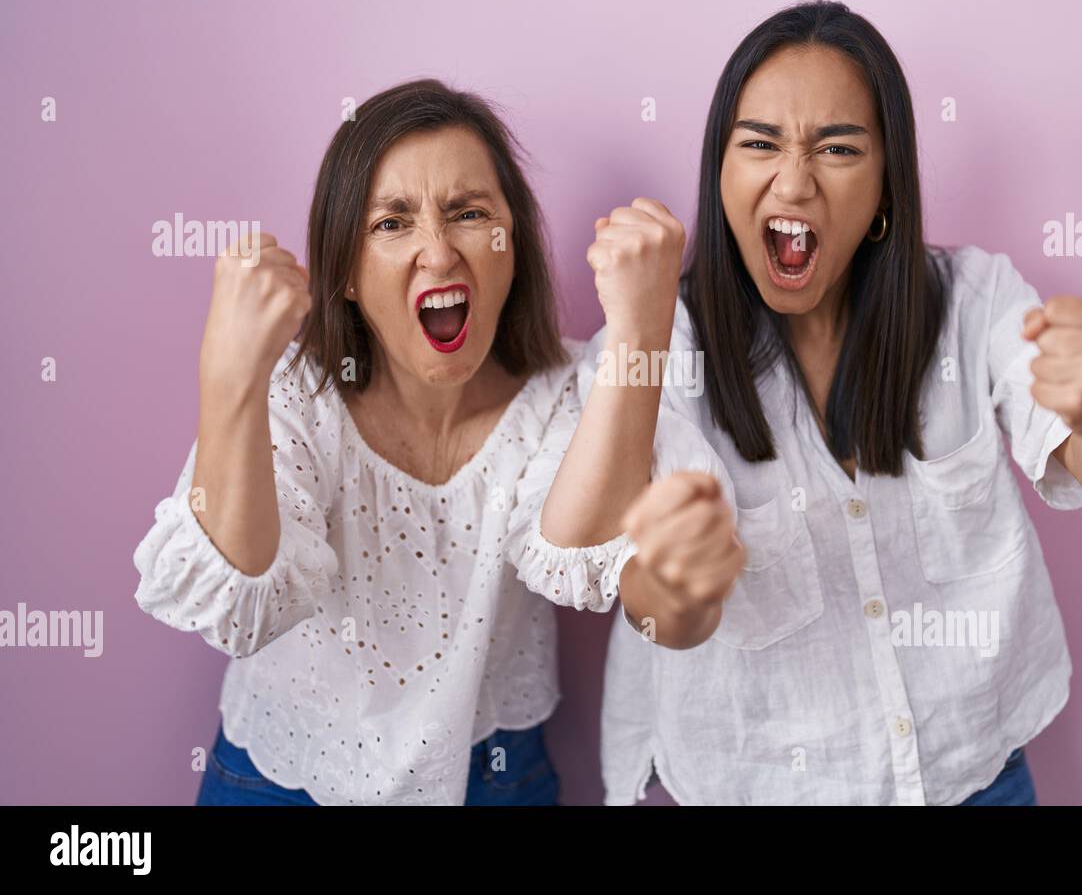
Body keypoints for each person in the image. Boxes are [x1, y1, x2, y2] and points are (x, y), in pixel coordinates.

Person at [548, 0, 1082, 805]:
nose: (794, 179)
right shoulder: (658, 347)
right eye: (760, 144)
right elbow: (654, 611)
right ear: (721, 170)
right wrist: (680, 583)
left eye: (837, 148)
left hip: (974, 772)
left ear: (884, 185)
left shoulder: (975, 301)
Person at [133, 78, 735, 805]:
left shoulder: (562, 398)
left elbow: (575, 556)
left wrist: (642, 329)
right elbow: (239, 610)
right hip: (282, 776)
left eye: (469, 213)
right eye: (392, 223)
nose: (439, 252)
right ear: (347, 274)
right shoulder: (298, 394)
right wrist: (228, 379)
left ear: (513, 246)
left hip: (494, 774)